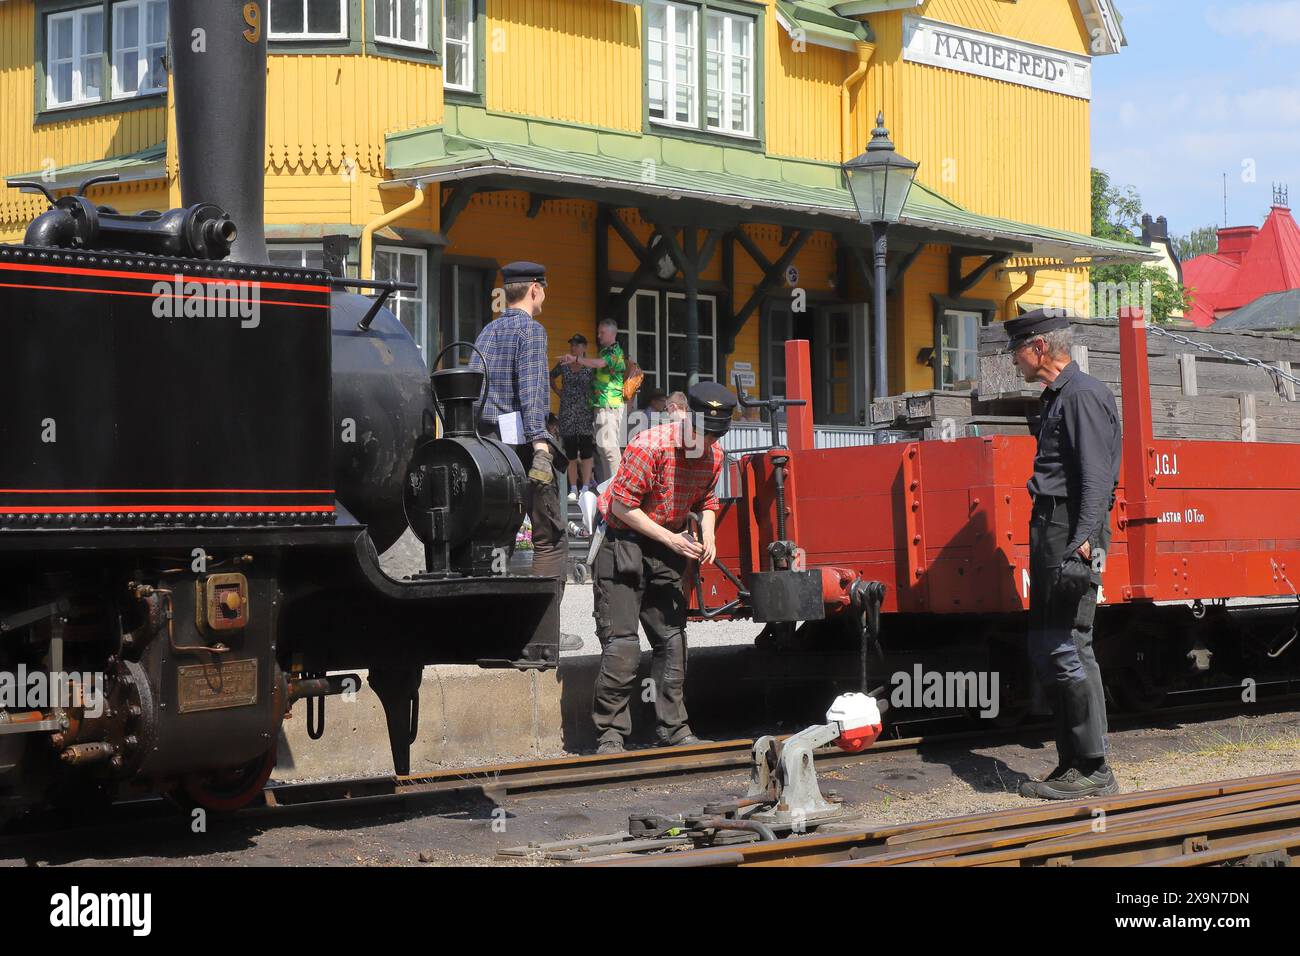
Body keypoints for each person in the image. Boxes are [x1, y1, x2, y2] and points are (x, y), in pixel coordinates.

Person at [1008, 310, 1122, 799]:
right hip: (1054, 528)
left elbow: (1096, 477)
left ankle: (1094, 768)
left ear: (1037, 347)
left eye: (1015, 349)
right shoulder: (1060, 396)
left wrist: (1085, 543)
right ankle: (1072, 762)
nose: (1010, 360)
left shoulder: (1082, 395)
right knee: (1049, 646)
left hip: (1074, 531)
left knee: (1070, 646)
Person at [590, 381, 736, 754]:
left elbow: (706, 498)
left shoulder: (714, 455)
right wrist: (670, 540)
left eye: (713, 437)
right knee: (622, 644)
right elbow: (622, 506)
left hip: (667, 545)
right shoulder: (649, 446)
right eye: (702, 435)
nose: (706, 444)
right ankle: (610, 735)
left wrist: (708, 532)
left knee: (672, 641)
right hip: (624, 542)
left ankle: (673, 728)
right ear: (687, 422)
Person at [471, 261, 568, 586]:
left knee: (500, 536)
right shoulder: (531, 331)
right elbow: (532, 391)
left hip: (488, 451)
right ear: (534, 289)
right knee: (549, 539)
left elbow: (473, 389)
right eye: (544, 290)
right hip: (523, 449)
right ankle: (545, 630)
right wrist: (540, 445)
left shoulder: (487, 331)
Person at [565, 318, 626, 485]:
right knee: (603, 448)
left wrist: (577, 359)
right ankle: (610, 486)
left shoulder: (613, 351)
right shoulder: (606, 351)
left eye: (602, 332)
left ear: (613, 333)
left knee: (610, 448)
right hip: (602, 405)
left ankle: (618, 488)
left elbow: (599, 364)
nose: (598, 335)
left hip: (609, 405)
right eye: (598, 332)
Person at [551, 333, 596, 501]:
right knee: (570, 451)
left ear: (584, 347)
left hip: (585, 412)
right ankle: (573, 488)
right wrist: (557, 391)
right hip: (567, 412)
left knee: (586, 451)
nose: (574, 347)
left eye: (577, 345)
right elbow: (551, 375)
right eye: (572, 345)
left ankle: (585, 486)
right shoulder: (563, 363)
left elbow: (599, 383)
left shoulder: (590, 366)